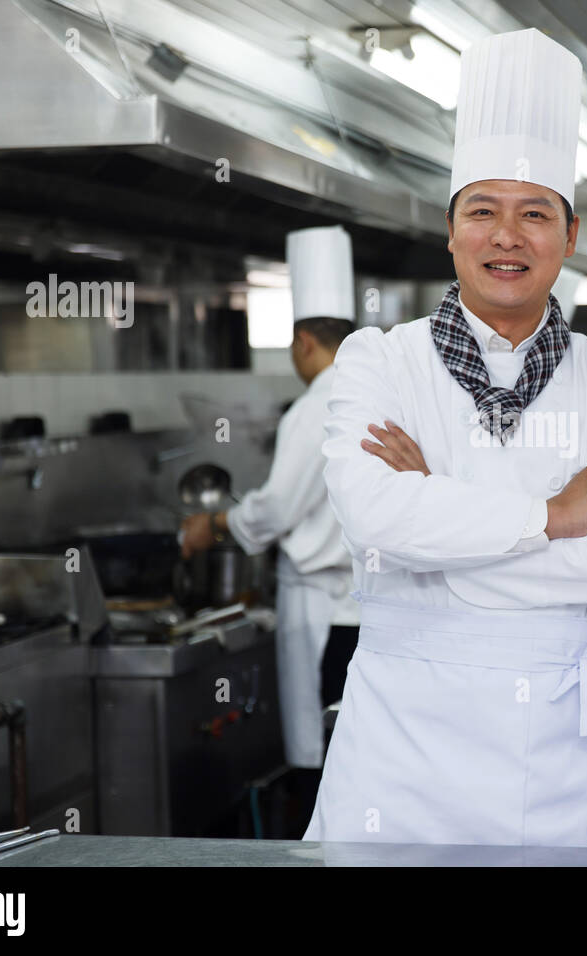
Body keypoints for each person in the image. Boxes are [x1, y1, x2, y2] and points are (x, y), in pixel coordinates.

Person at [304, 28, 587, 847]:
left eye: (534, 214)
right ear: (451, 228)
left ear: (569, 236)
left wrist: (440, 517)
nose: (508, 236)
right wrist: (556, 514)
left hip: (559, 768)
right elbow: (378, 522)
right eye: (484, 212)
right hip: (399, 757)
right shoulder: (377, 361)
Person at [181, 225, 359, 812]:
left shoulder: (313, 409)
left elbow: (279, 506)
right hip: (360, 604)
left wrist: (218, 524)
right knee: (348, 751)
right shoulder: (370, 392)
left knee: (318, 752)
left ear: (305, 341)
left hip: (322, 609)